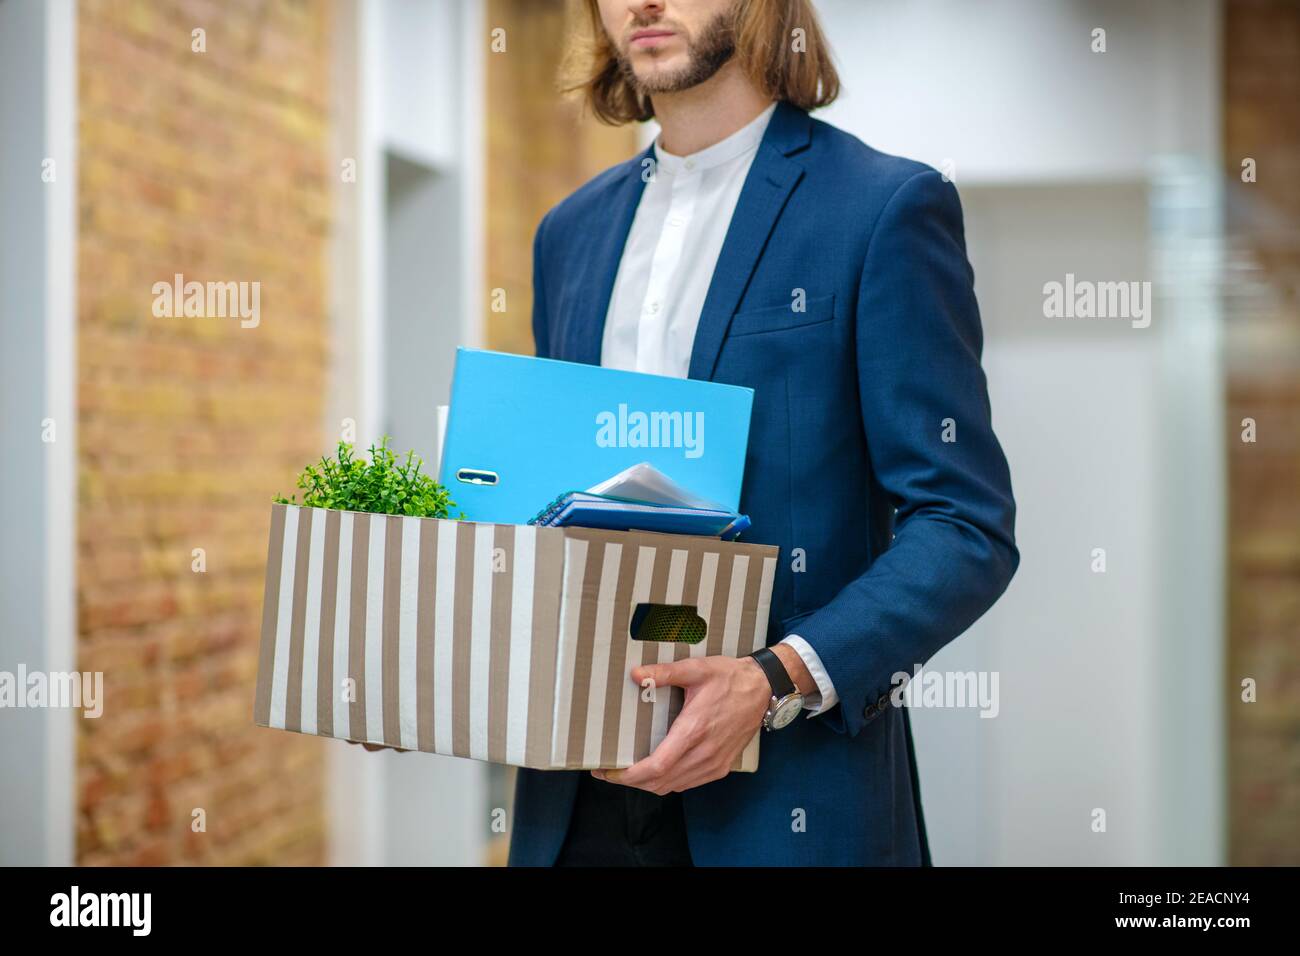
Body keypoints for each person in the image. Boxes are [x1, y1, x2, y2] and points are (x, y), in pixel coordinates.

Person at [509, 0, 1019, 866]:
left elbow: (964, 527)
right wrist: (426, 677)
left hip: (792, 800)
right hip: (575, 802)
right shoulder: (568, 235)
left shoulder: (884, 208)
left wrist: (774, 679)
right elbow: (554, 516)